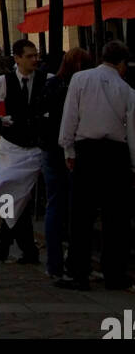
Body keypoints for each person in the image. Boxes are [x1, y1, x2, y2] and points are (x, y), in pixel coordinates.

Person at [57, 40, 135, 292]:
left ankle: (79, 273)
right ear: (121, 63)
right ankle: (115, 273)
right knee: (116, 218)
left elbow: (70, 116)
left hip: (87, 151)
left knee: (81, 215)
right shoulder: (127, 90)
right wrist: (132, 163)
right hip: (116, 154)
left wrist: (68, 148)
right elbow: (132, 132)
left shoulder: (80, 80)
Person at [0, 38, 44, 265]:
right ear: (17, 58)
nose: (34, 60)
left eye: (35, 55)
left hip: (35, 148)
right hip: (12, 148)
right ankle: (17, 246)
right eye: (29, 56)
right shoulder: (4, 82)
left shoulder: (46, 80)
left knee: (20, 198)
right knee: (10, 196)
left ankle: (12, 244)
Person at [39, 47, 91, 281]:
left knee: (55, 206)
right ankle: (71, 262)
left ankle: (55, 263)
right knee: (74, 207)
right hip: (69, 151)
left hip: (51, 149)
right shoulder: (79, 88)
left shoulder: (51, 85)